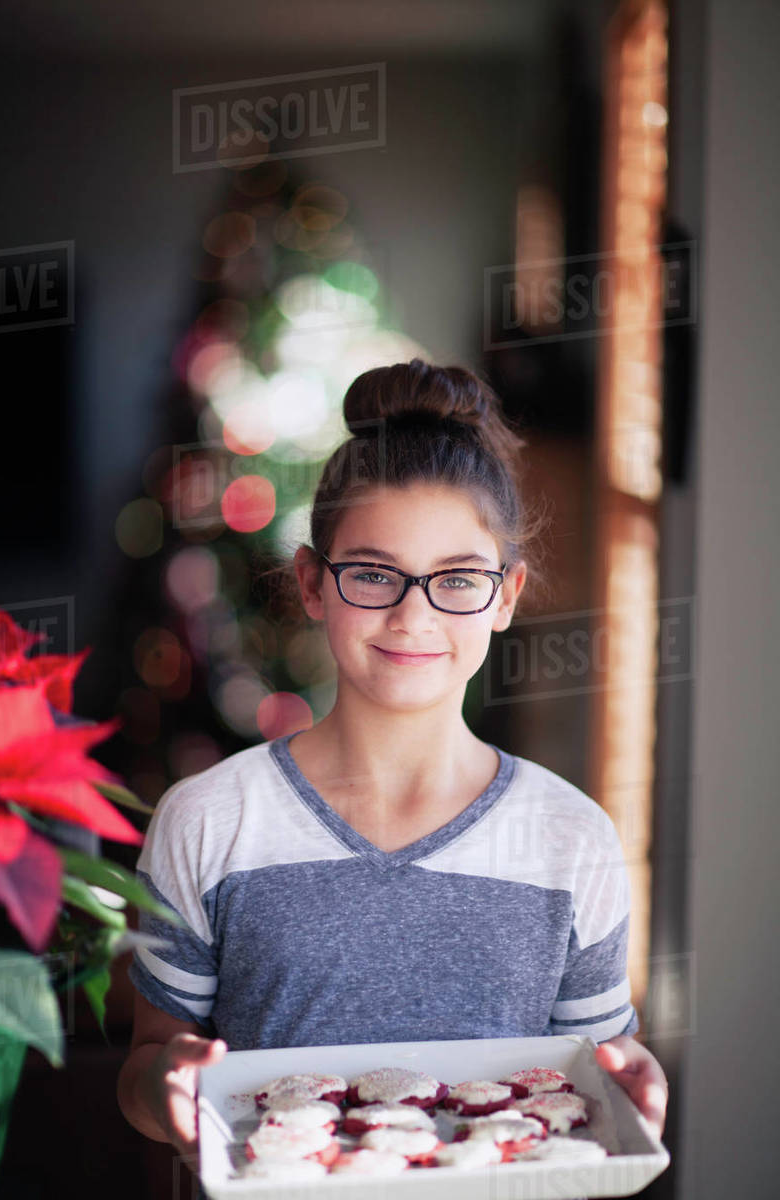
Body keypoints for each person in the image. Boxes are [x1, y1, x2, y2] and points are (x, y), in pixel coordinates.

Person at [116, 359, 668, 1183]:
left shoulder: (570, 838)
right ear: (312, 582)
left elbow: (596, 1076)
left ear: (506, 595)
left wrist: (636, 1087)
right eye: (373, 573)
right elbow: (145, 1069)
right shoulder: (210, 822)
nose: (413, 615)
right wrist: (165, 1088)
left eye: (456, 579)